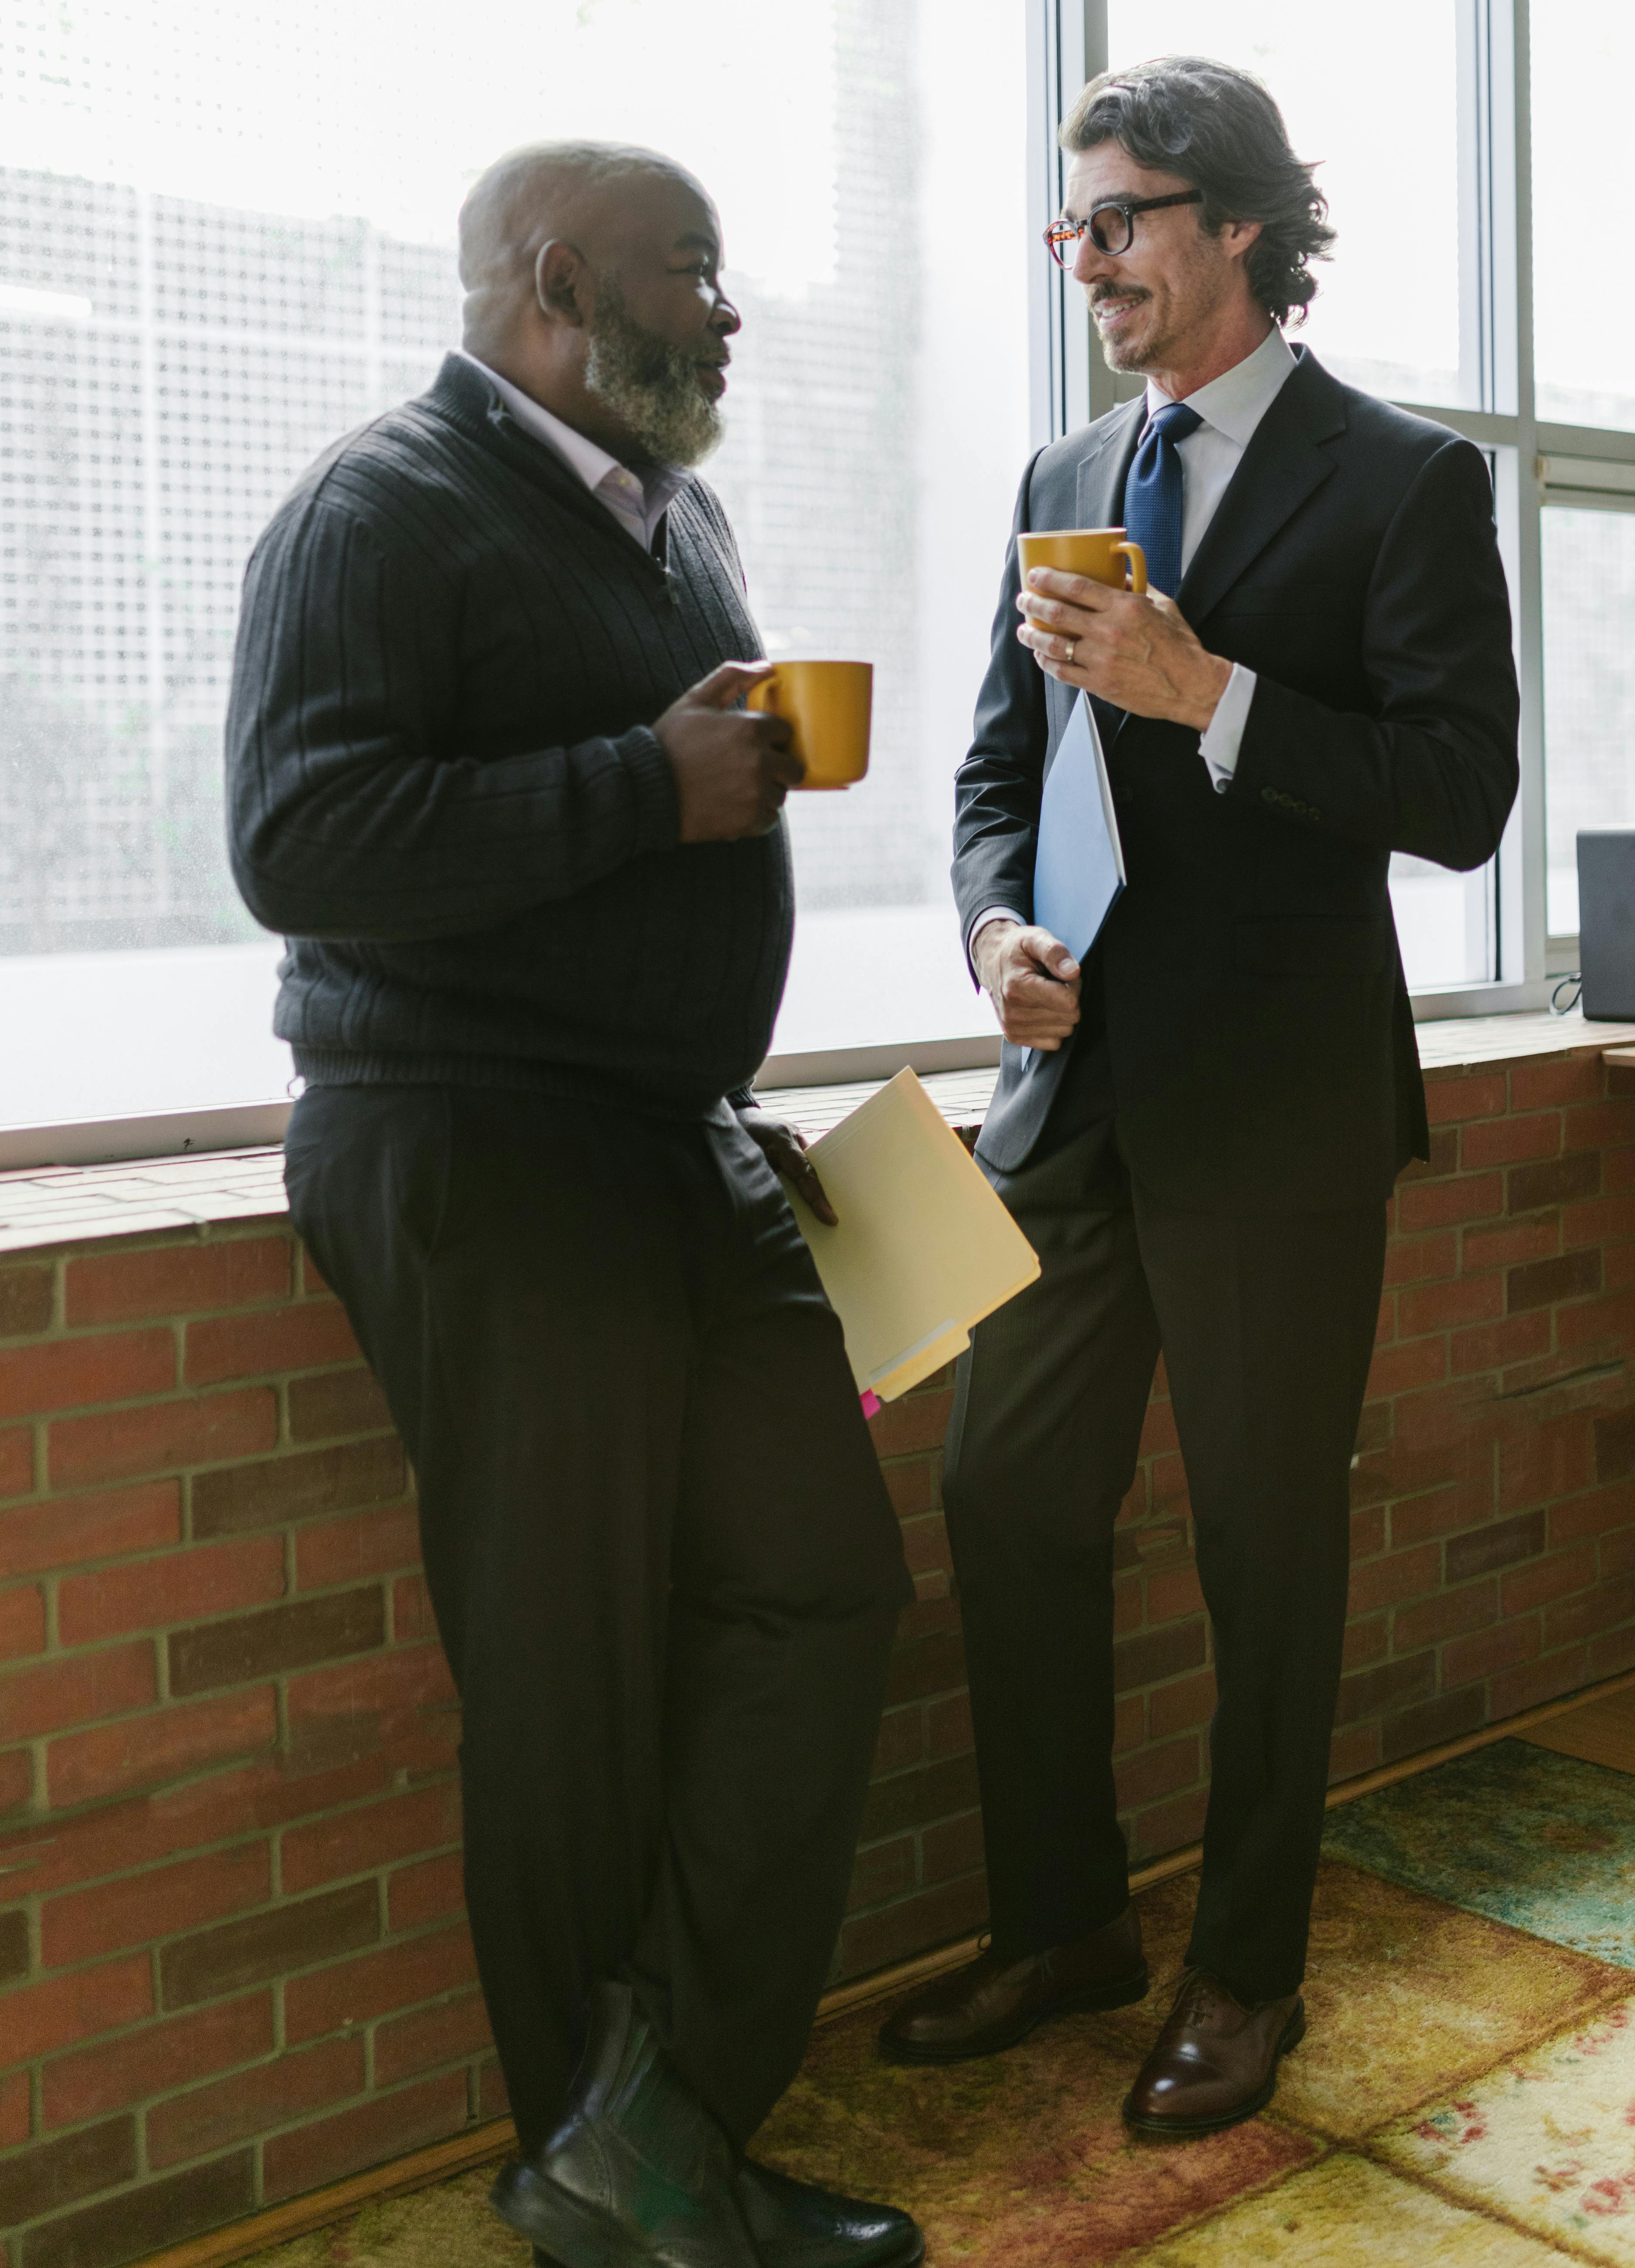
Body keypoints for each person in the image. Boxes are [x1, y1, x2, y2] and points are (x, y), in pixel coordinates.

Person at [226, 140, 922, 2268]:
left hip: (669, 1143)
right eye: (695, 273)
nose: (730, 313)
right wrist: (645, 781)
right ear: (554, 280)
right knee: (571, 1678)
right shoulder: (379, 506)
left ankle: (659, 2123)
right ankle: (619, 2152)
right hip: (478, 1145)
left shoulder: (673, 512)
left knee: (827, 1584)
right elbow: (300, 835)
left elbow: (662, 804)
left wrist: (712, 913)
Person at [879, 58, 1519, 2135]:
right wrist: (992, 936)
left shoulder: (1403, 480)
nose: (1090, 263)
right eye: (1070, 229)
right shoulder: (1068, 457)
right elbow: (993, 773)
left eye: (1123, 220)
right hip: (1062, 1099)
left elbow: (1458, 794)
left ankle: (1248, 1971)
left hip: (1279, 1114)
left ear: (1237, 222)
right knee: (1002, 1494)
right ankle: (1067, 1919)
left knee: (1266, 1553)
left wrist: (1212, 692)